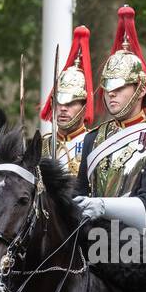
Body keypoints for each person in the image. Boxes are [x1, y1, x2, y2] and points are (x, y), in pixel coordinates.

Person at [73, 6, 146, 229]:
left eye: (120, 87)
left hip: (136, 247)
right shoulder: (93, 138)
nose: (111, 93)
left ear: (141, 90)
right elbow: (80, 194)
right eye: (108, 86)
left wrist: (103, 205)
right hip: (89, 240)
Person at [42, 25, 93, 178]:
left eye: (71, 103)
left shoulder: (94, 144)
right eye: (59, 102)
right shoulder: (42, 145)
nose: (63, 108)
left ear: (84, 106)